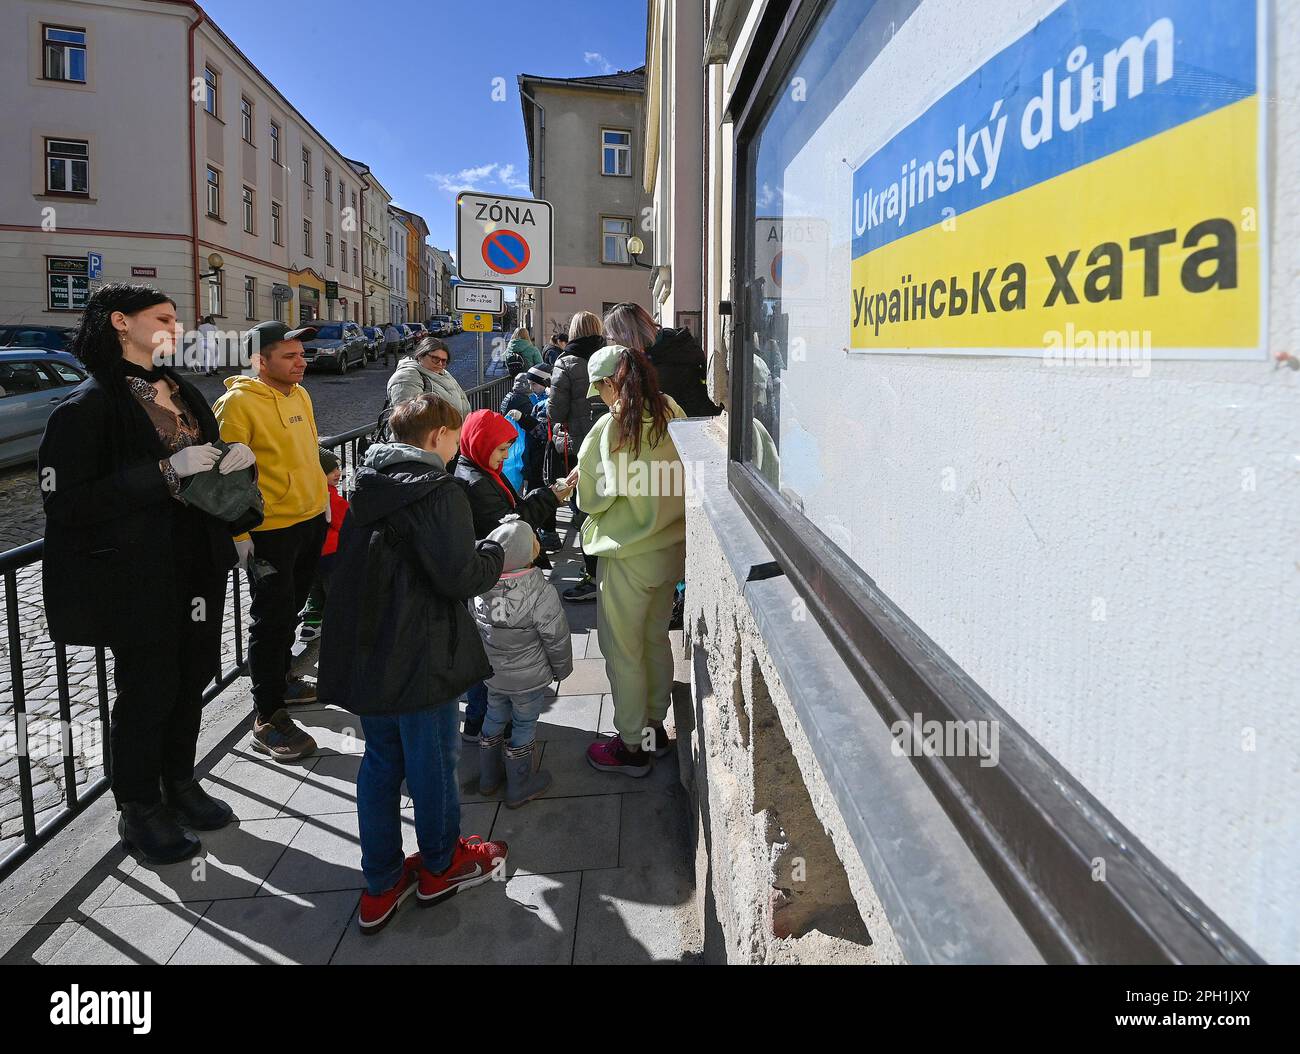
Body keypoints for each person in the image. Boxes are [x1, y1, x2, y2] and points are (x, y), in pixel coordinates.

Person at [39, 284, 255, 864]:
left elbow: (207, 459)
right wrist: (165, 470)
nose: (176, 326)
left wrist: (233, 461)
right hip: (140, 577)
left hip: (197, 566)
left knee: (191, 678)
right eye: (162, 318)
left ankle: (180, 784)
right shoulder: (87, 407)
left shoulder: (180, 388)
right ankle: (138, 809)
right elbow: (67, 503)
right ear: (120, 323)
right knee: (148, 691)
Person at [317, 393, 508, 933]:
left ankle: (379, 883)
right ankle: (442, 864)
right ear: (435, 439)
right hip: (421, 650)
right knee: (432, 762)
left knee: (380, 763)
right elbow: (460, 575)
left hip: (370, 648)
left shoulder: (364, 482)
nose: (454, 447)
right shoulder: (439, 490)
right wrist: (496, 551)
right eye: (452, 437)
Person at [213, 320, 328, 763]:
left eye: (301, 355)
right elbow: (224, 477)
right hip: (270, 531)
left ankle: (281, 680)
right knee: (271, 618)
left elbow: (310, 449)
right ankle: (266, 715)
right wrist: (239, 532)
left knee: (291, 609)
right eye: (290, 356)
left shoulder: (300, 393)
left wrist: (323, 497)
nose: (301, 362)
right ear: (260, 361)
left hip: (309, 519)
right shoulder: (237, 404)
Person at [576, 344, 687, 776]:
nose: (599, 399)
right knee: (655, 639)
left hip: (628, 555)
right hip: (669, 550)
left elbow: (592, 497)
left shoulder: (612, 428)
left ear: (609, 383)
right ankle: (654, 729)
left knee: (623, 651)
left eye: (599, 390)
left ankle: (630, 746)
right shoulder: (671, 411)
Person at [454, 408, 574, 739]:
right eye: (502, 449)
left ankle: (487, 726)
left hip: (491, 578)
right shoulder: (477, 483)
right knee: (489, 653)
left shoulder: (479, 469)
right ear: (480, 443)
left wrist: (549, 494)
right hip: (494, 581)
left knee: (489, 651)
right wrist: (550, 496)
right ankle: (485, 726)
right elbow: (512, 529)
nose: (506, 456)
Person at [471, 514, 573, 808]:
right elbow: (555, 636)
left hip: (494, 675)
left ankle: (488, 778)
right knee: (524, 724)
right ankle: (520, 783)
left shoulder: (479, 590)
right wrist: (561, 668)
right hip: (528, 680)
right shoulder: (540, 591)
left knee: (494, 717)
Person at [548, 311, 607, 601]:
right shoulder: (609, 356)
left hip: (579, 444)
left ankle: (592, 576)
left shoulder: (567, 361)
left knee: (584, 510)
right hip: (610, 439)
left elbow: (555, 410)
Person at [604, 302, 722, 418]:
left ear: (628, 334)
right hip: (699, 420)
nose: (616, 345)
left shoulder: (660, 363)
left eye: (615, 339)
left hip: (686, 427)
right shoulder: (673, 344)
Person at [298, 448, 350, 643]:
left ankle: (310, 627)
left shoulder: (306, 494)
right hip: (332, 554)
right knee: (335, 591)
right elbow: (345, 523)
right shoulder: (332, 499)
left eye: (337, 467)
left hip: (311, 554)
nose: (337, 473)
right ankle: (339, 628)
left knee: (315, 591)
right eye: (331, 470)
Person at [387, 336, 471, 417]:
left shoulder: (443, 373)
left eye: (444, 361)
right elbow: (409, 419)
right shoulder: (407, 376)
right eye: (435, 358)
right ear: (420, 356)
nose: (440, 363)